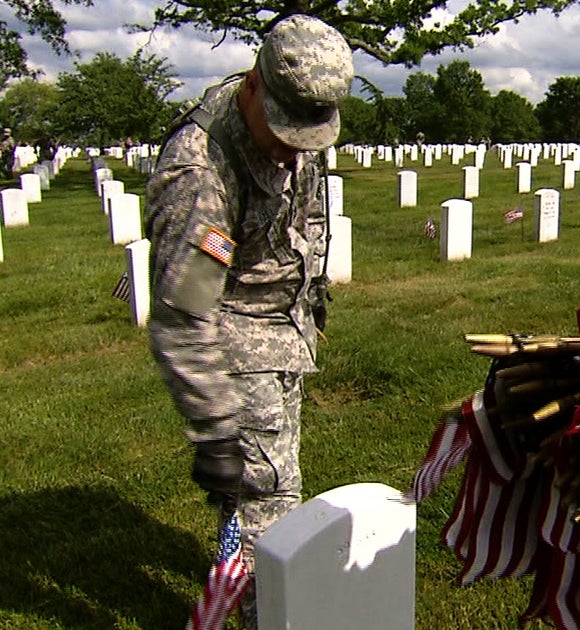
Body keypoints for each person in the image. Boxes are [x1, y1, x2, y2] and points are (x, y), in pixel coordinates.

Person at [144, 14, 354, 628]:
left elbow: (308, 217)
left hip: (284, 331)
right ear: (255, 86)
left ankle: (249, 558)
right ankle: (276, 614)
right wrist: (214, 431)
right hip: (235, 338)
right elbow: (186, 314)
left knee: (270, 485)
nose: (297, 149)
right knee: (273, 501)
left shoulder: (297, 124)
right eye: (287, 131)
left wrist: (310, 304)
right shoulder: (200, 171)